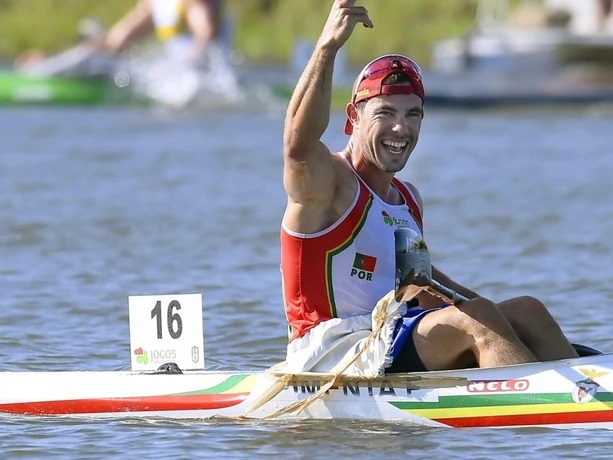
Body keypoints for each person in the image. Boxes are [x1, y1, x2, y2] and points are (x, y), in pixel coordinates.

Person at [280, 0, 578, 375]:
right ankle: (554, 405)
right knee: (477, 319)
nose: (400, 129)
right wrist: (327, 48)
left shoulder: (408, 199)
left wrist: (504, 322)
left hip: (390, 335)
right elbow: (297, 146)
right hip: (330, 351)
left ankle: (590, 387)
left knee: (526, 310)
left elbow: (420, 282)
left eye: (412, 114)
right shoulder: (330, 183)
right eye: (385, 112)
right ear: (354, 116)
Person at [14, 0, 228, 79]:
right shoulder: (155, 5)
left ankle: (35, 77)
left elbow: (205, 35)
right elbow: (113, 42)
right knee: (90, 53)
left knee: (89, 58)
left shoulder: (195, 3)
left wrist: (185, 68)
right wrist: (52, 56)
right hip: (167, 79)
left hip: (193, 81)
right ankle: (45, 67)